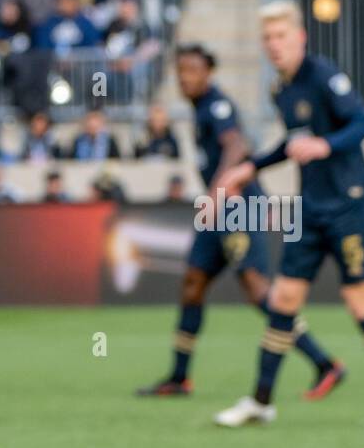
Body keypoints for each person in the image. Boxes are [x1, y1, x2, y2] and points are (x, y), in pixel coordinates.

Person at [213, 1, 364, 431]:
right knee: (283, 300)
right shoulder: (280, 89)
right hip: (308, 209)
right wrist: (251, 166)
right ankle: (261, 401)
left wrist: (327, 145)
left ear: (300, 37)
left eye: (281, 36)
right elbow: (292, 142)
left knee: (361, 302)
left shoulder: (323, 75)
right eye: (267, 38)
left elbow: (363, 123)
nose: (274, 45)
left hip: (349, 206)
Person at [137, 44, 341, 398]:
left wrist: (219, 188)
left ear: (208, 74)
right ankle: (180, 377)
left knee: (257, 289)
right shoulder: (200, 108)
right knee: (193, 283)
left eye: (193, 70)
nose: (186, 77)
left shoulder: (217, 105)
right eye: (181, 70)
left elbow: (236, 144)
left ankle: (325, 364)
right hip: (216, 211)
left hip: (238, 206)